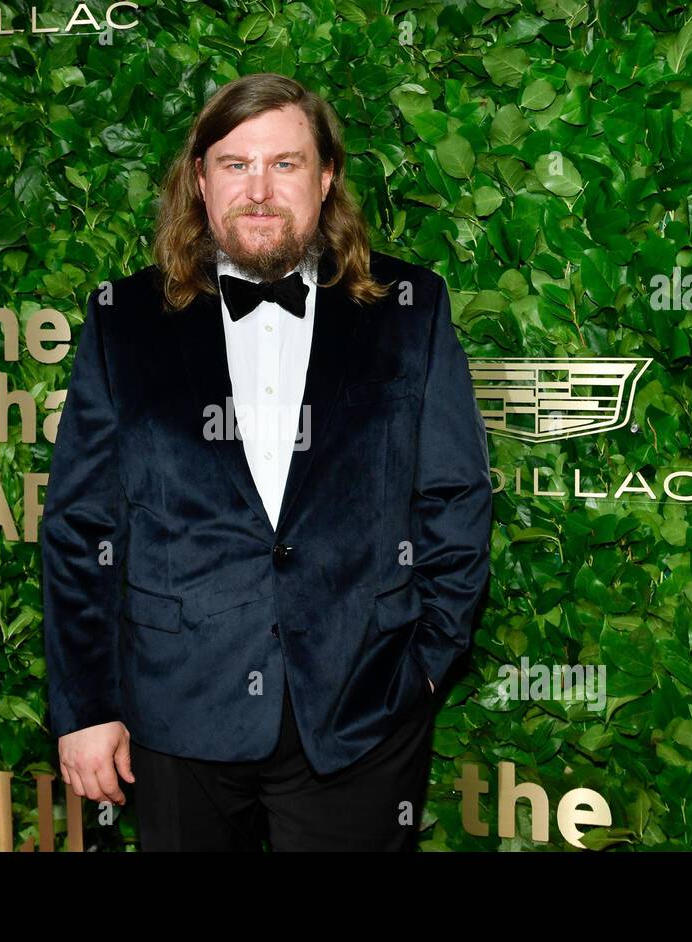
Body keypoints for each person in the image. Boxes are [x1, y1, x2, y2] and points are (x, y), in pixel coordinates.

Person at [41, 72, 492, 851]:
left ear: (324, 180)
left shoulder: (408, 309)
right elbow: (82, 527)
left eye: (283, 164)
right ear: (200, 181)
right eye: (235, 164)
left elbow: (455, 495)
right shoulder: (126, 321)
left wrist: (421, 668)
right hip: (176, 715)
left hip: (360, 715)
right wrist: (86, 708)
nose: (259, 190)